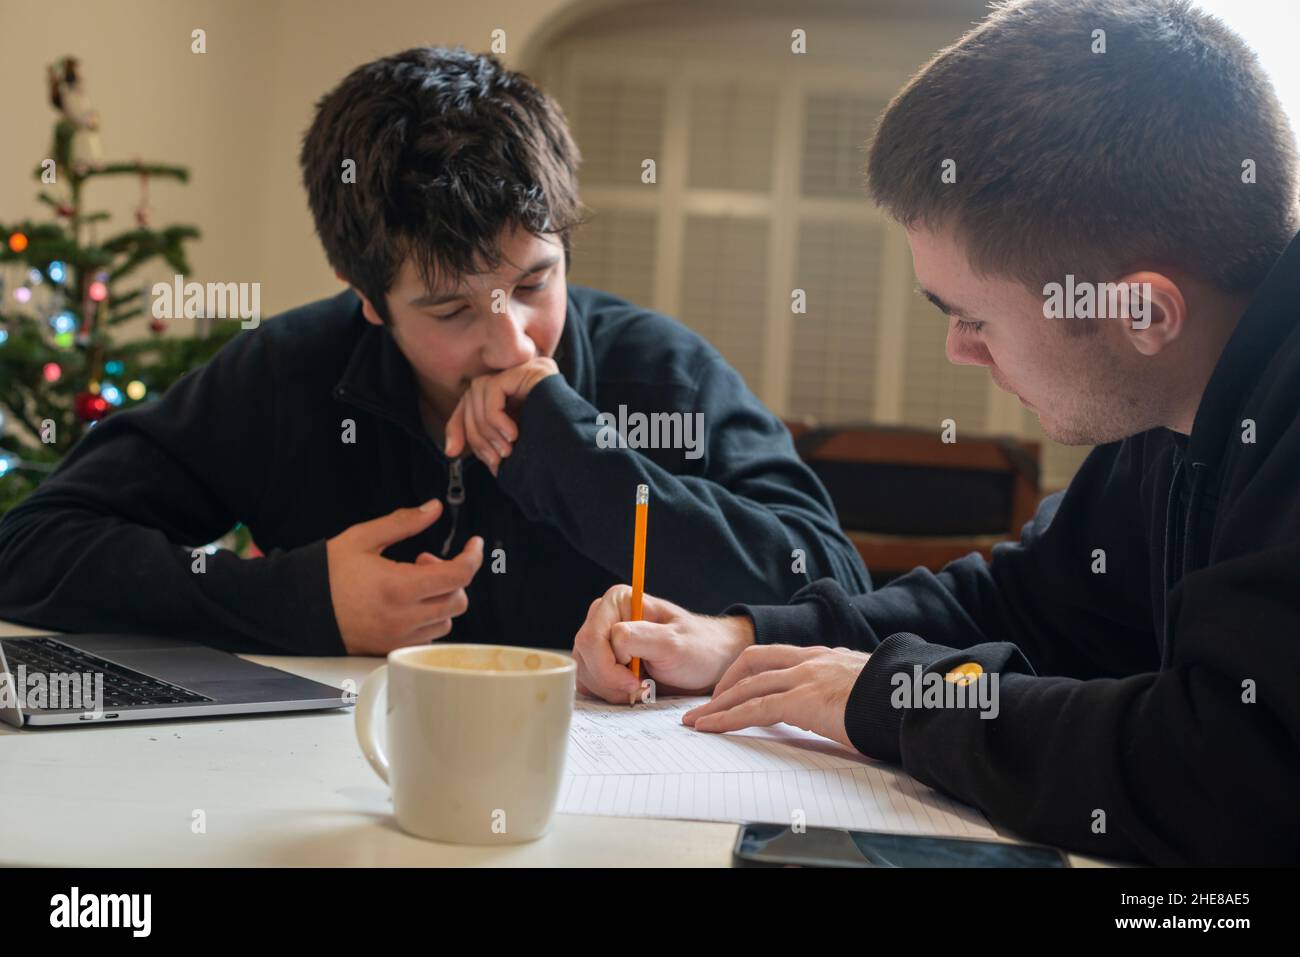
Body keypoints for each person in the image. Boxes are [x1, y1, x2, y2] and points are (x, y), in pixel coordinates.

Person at [572, 0, 1300, 865]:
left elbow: (1231, 770)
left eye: (975, 319)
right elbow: (1029, 605)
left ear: (1142, 310)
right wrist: (749, 640)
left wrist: (899, 698)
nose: (956, 350)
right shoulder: (1177, 397)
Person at [0, 48, 866, 657]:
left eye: (534, 282)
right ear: (368, 299)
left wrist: (584, 457)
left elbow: (833, 585)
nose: (513, 342)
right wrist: (302, 600)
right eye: (452, 308)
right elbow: (34, 547)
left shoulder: (661, 372)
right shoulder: (289, 372)